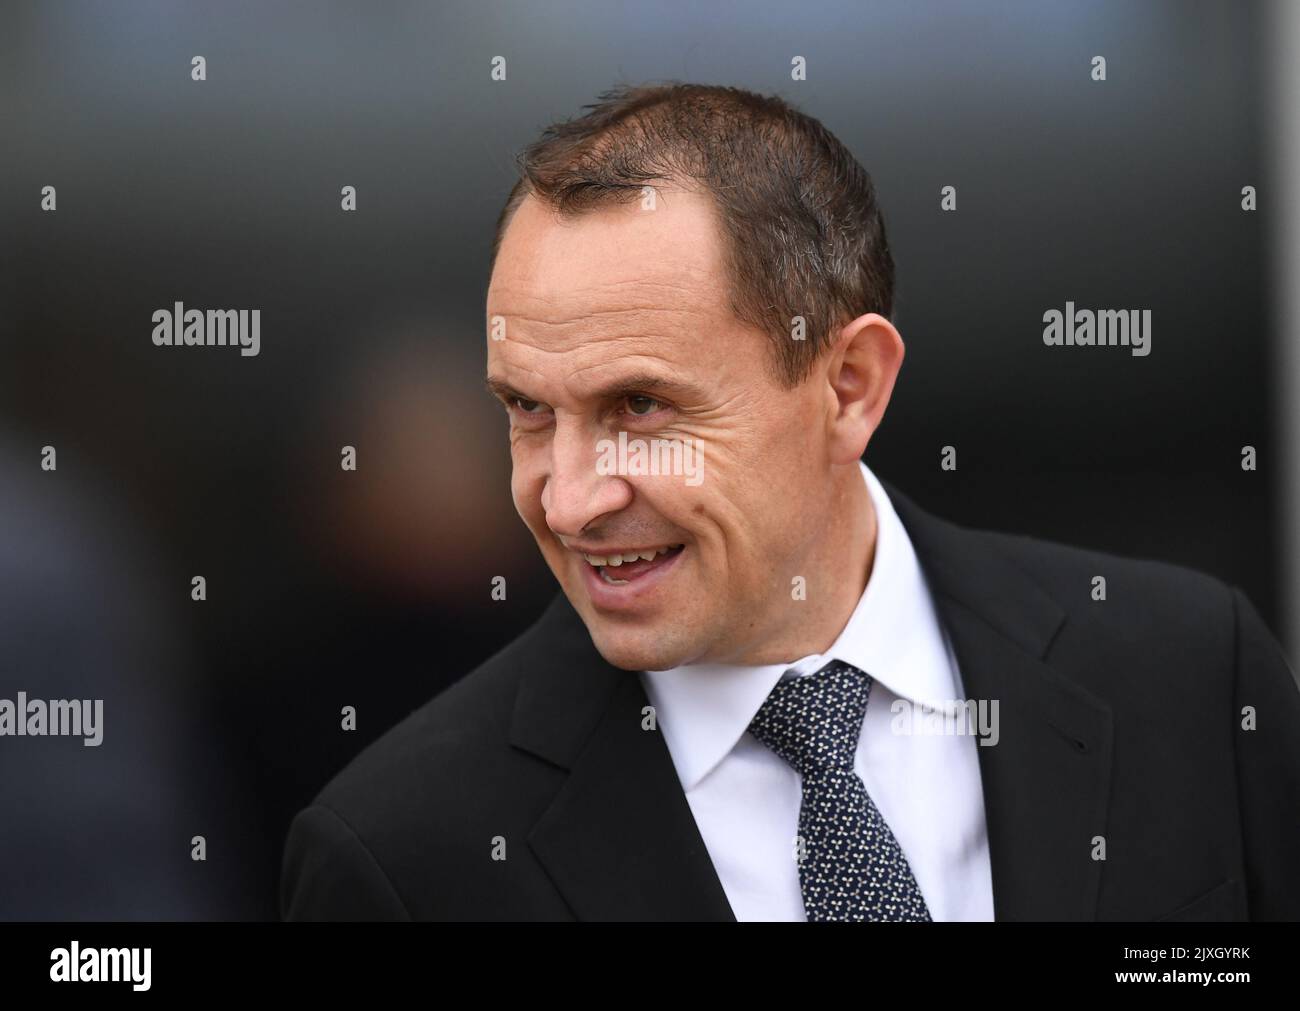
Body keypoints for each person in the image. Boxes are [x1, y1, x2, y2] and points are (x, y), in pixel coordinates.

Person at [280, 83, 1300, 921]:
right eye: (528, 412)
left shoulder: (1188, 676)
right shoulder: (406, 857)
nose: (570, 499)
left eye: (640, 406)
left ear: (848, 386)